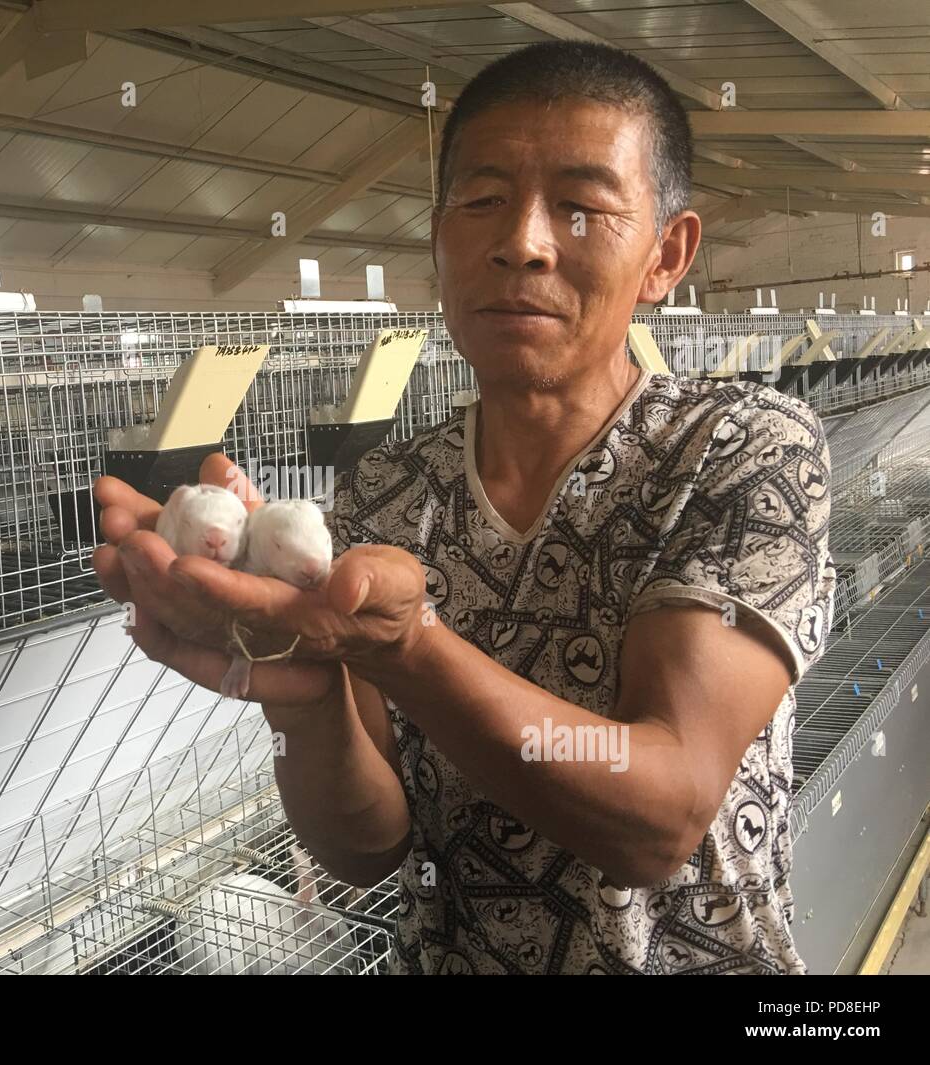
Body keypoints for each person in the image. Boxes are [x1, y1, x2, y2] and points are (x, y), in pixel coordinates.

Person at [92, 39, 837, 975]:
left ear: (666, 254)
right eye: (481, 200)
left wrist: (408, 650)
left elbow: (661, 815)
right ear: (439, 240)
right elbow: (365, 848)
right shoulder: (389, 491)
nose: (521, 240)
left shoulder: (739, 450)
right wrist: (309, 694)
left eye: (582, 206)